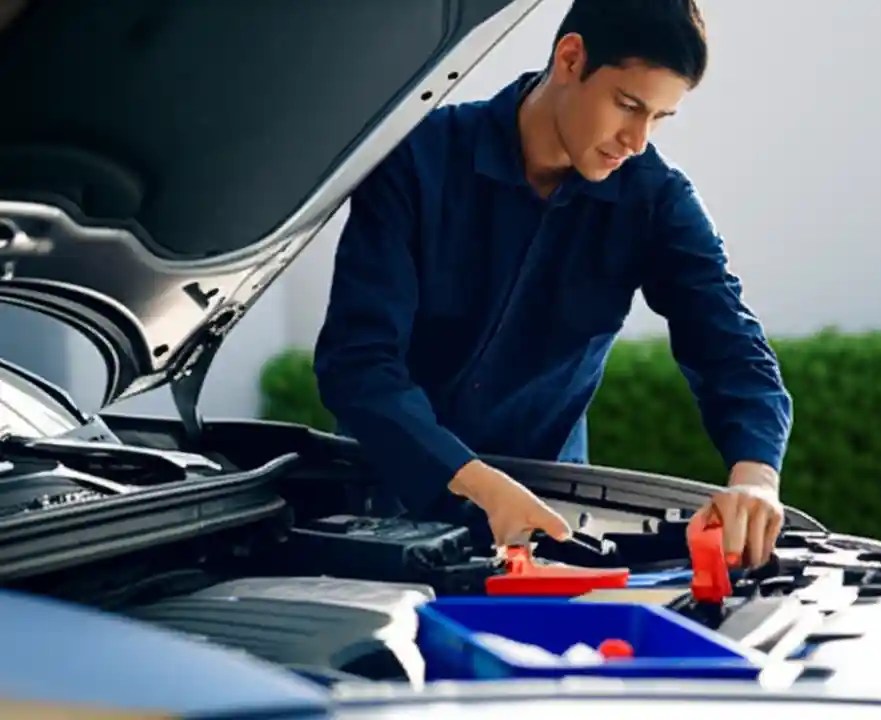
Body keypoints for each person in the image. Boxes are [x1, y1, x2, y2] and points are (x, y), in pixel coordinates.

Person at [314, 0, 793, 569]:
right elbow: (358, 363)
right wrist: (476, 484)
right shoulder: (416, 160)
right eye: (627, 105)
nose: (637, 140)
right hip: (381, 512)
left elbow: (731, 347)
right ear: (570, 58)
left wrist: (756, 480)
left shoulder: (655, 200)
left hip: (549, 526)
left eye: (659, 118)